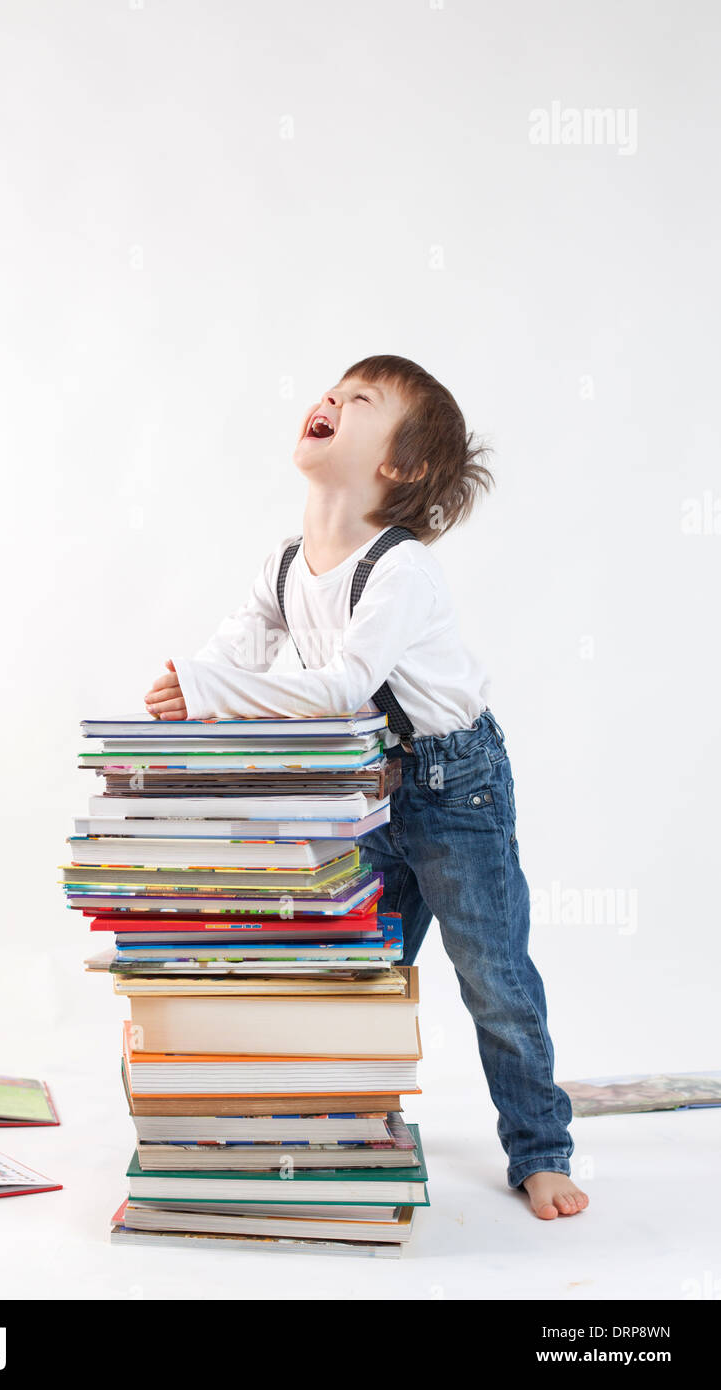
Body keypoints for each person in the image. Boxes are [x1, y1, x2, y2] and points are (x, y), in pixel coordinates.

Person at [145, 354, 587, 1221]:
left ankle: (540, 1149)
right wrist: (188, 690)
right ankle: (355, 1115)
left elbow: (344, 684)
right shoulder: (284, 564)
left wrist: (213, 690)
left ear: (401, 466)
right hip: (367, 789)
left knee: (492, 975)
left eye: (358, 402)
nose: (328, 402)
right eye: (329, 392)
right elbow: (232, 658)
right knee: (359, 969)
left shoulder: (402, 569)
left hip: (457, 789)